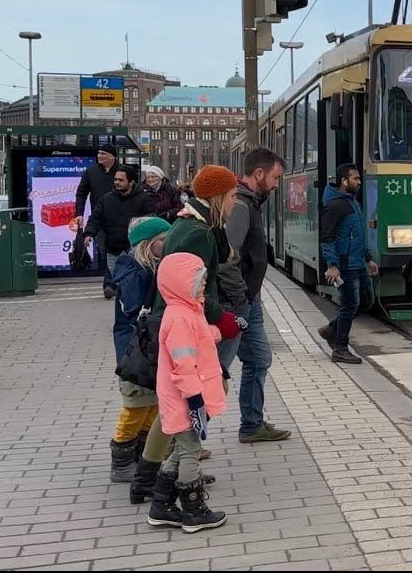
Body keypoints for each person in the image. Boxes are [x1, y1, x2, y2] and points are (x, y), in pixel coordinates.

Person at [129, 165, 245, 505]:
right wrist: (220, 318)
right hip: (186, 325)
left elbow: (220, 260)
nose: (237, 202)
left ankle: (159, 473)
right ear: (219, 196)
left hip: (179, 320)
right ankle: (162, 473)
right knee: (198, 396)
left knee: (178, 405)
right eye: (234, 196)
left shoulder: (192, 223)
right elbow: (195, 285)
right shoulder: (197, 232)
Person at [146, 251, 229, 533]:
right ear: (181, 283)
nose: (204, 283)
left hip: (182, 395)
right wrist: (195, 399)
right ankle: (193, 510)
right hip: (185, 397)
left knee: (181, 450)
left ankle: (161, 506)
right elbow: (184, 364)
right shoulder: (181, 317)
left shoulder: (185, 311)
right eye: (198, 279)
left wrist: (218, 332)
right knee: (191, 450)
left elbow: (198, 340)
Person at [216, 147, 291, 443]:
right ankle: (182, 442)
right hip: (236, 302)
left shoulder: (250, 202)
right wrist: (239, 299)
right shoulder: (242, 206)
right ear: (258, 174)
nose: (276, 184)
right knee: (215, 372)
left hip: (250, 299)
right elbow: (226, 259)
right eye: (274, 177)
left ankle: (251, 425)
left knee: (259, 358)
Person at [108, 216, 170, 483]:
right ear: (148, 244)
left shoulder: (146, 269)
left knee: (151, 406)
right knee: (135, 407)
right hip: (136, 351)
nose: (168, 245)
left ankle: (139, 457)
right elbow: (136, 313)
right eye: (163, 241)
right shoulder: (136, 274)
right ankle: (121, 463)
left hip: (146, 348)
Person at [316, 164, 377, 365]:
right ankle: (340, 348)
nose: (359, 182)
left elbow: (358, 235)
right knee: (350, 304)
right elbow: (327, 238)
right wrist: (332, 265)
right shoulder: (334, 206)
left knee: (366, 300)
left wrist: (368, 258)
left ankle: (331, 329)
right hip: (345, 264)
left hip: (358, 261)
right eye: (355, 179)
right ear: (344, 181)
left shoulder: (353, 203)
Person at [84, 164, 156, 278]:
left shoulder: (144, 199)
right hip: (114, 249)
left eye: (121, 180)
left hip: (136, 248)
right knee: (116, 279)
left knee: (135, 280)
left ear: (131, 182)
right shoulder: (106, 199)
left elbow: (151, 221)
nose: (117, 182)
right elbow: (95, 217)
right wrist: (89, 233)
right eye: (115, 179)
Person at [74, 143, 118, 298]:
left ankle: (114, 282)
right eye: (99, 153)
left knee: (118, 250)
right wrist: (79, 213)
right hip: (99, 218)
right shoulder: (91, 172)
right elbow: (81, 193)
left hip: (120, 219)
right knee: (105, 251)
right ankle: (109, 283)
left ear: (113, 156)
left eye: (104, 154)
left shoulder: (122, 172)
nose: (100, 156)